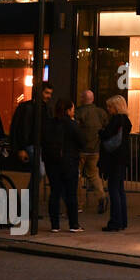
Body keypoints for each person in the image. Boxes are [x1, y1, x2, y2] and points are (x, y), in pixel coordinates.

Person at [43, 99, 86, 233]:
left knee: (55, 193)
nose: (74, 111)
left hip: (52, 163)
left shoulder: (50, 123)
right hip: (69, 162)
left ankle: (54, 225)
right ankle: (73, 224)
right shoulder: (71, 124)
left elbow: (44, 140)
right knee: (71, 194)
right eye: (72, 109)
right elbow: (82, 141)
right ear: (68, 110)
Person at [99, 95, 133, 232]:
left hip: (114, 159)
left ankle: (115, 222)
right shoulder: (126, 121)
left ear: (116, 107)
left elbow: (106, 134)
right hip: (123, 158)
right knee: (120, 190)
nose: (108, 109)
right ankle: (123, 220)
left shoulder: (116, 120)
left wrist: (100, 132)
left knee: (113, 190)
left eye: (110, 106)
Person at [75, 89, 109, 215]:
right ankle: (101, 196)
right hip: (95, 149)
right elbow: (106, 127)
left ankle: (78, 203)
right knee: (94, 175)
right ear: (93, 99)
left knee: (76, 176)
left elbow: (75, 130)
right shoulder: (101, 112)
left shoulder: (79, 112)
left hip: (80, 150)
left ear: (83, 99)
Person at [10, 84, 54, 166]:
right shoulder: (26, 107)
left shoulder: (47, 109)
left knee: (38, 172)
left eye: (50, 94)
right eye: (47, 93)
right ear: (39, 93)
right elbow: (17, 128)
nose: (49, 96)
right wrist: (20, 148)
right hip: (30, 145)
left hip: (40, 146)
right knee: (40, 171)